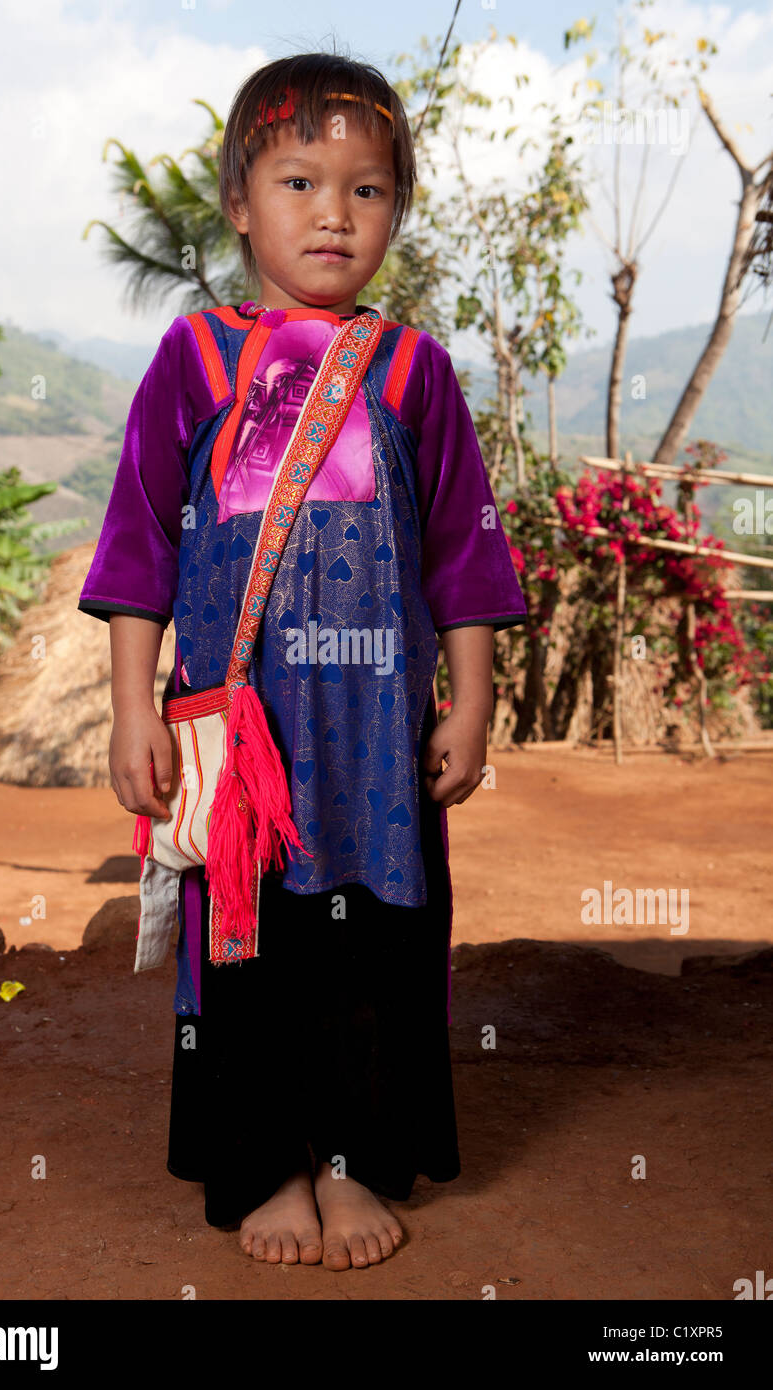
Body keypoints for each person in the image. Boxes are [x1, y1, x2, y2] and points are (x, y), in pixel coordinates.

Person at [77, 51, 527, 1272]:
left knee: (373, 941)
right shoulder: (197, 363)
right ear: (238, 204)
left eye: (367, 189)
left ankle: (350, 1161)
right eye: (297, 179)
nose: (333, 212)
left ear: (396, 207)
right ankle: (269, 1161)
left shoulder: (412, 371)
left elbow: (463, 559)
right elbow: (134, 555)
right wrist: (134, 713)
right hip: (240, 734)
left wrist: (472, 702)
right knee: (253, 938)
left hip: (376, 735)